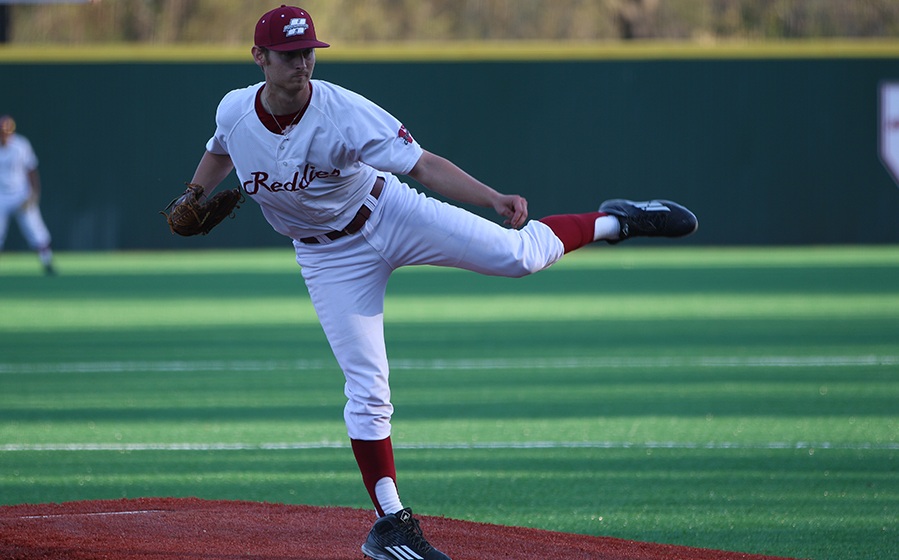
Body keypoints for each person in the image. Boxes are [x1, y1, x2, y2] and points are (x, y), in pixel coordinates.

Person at [187, 6, 697, 560]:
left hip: (388, 214)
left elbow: (423, 166)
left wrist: (492, 198)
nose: (302, 63)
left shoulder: (345, 112)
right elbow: (219, 151)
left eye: (308, 51)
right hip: (327, 260)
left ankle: (617, 221)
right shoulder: (235, 111)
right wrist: (194, 194)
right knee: (367, 388)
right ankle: (391, 523)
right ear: (259, 57)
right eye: (289, 54)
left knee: (519, 256)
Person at [0, 115, 55, 276]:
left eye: (8, 132)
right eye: (2, 132)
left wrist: (34, 193)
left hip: (20, 193)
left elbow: (31, 169)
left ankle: (48, 263)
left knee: (35, 229)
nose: (5, 135)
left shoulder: (21, 145)